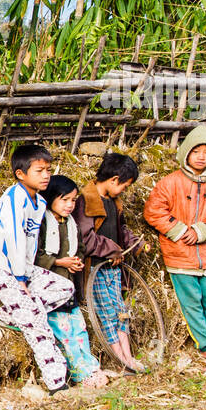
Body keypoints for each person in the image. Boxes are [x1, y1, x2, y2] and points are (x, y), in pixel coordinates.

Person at [0, 143, 74, 393]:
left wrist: (25, 273)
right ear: (20, 174)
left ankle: (8, 314)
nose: (46, 176)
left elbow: (29, 243)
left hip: (22, 265)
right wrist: (20, 279)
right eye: (39, 171)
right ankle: (56, 381)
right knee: (34, 319)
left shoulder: (38, 204)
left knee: (65, 287)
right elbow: (14, 238)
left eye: (48, 170)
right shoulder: (14, 198)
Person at [143, 125, 206, 364]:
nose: (201, 157)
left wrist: (202, 231)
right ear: (186, 153)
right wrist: (183, 230)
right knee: (192, 303)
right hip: (180, 253)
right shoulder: (170, 182)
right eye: (197, 152)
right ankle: (205, 345)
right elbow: (154, 211)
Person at [73, 151, 147, 373]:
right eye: (125, 186)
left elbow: (120, 230)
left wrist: (135, 243)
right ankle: (120, 359)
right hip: (96, 268)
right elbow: (85, 238)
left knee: (121, 310)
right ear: (115, 180)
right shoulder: (86, 200)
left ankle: (128, 356)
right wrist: (112, 250)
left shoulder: (114, 201)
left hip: (114, 268)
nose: (124, 190)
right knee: (106, 312)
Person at [36, 175, 108, 389]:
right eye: (64, 199)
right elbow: (33, 255)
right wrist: (58, 261)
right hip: (50, 291)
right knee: (64, 334)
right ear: (51, 199)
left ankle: (91, 368)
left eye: (73, 200)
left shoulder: (70, 223)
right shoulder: (41, 223)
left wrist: (76, 261)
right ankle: (81, 374)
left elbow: (81, 248)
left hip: (70, 288)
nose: (70, 205)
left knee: (79, 330)